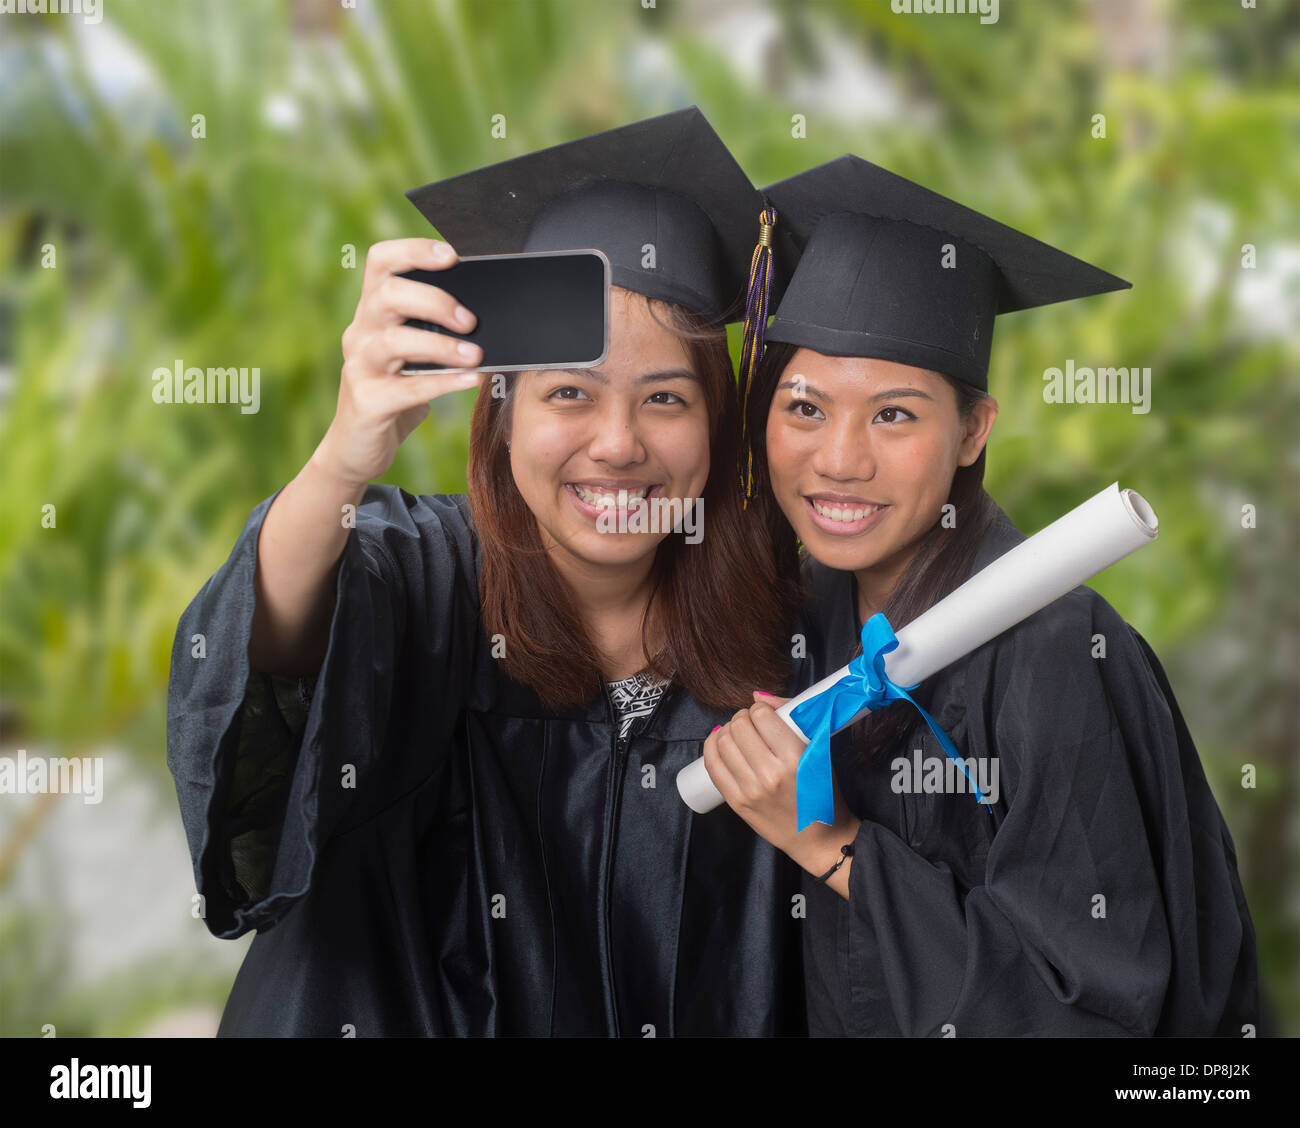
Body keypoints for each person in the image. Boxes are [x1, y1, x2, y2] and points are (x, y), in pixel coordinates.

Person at [166, 108, 807, 1037]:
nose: (618, 444)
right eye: (569, 394)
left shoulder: (784, 643)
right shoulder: (420, 580)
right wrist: (342, 461)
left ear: (719, 424)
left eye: (666, 397)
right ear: (501, 417)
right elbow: (271, 645)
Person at [703, 155, 1260, 1036]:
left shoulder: (1055, 651)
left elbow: (1093, 1013)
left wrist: (831, 845)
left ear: (973, 431)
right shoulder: (793, 618)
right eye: (804, 407)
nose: (840, 459)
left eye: (895, 414)